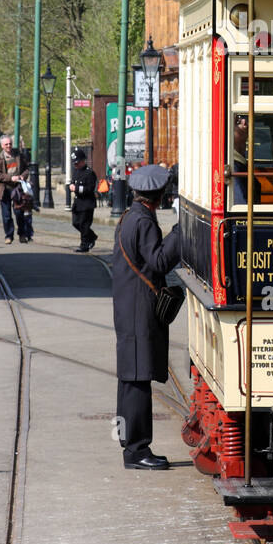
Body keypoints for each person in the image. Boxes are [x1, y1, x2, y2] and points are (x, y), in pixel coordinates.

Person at [112, 164, 182, 470]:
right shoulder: (144, 221)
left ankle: (131, 444)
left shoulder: (129, 217)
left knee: (130, 379)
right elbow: (159, 261)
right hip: (140, 311)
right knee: (138, 379)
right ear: (158, 195)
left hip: (128, 307)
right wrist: (180, 233)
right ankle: (138, 450)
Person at [0, 133, 33, 245]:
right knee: (6, 215)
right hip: (4, 190)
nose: (9, 146)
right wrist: (11, 178)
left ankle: (22, 234)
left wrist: (22, 177)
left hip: (17, 189)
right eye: (6, 144)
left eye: (10, 144)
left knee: (19, 213)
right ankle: (9, 236)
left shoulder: (19, 155)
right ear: (2, 146)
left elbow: (27, 169)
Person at [70, 147, 98, 253]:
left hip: (87, 203)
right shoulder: (76, 171)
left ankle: (84, 245)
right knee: (75, 223)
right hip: (78, 203)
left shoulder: (89, 173)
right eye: (74, 163)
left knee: (84, 224)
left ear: (83, 161)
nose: (75, 165)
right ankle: (92, 236)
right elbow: (73, 182)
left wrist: (76, 188)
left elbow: (89, 189)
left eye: (77, 163)